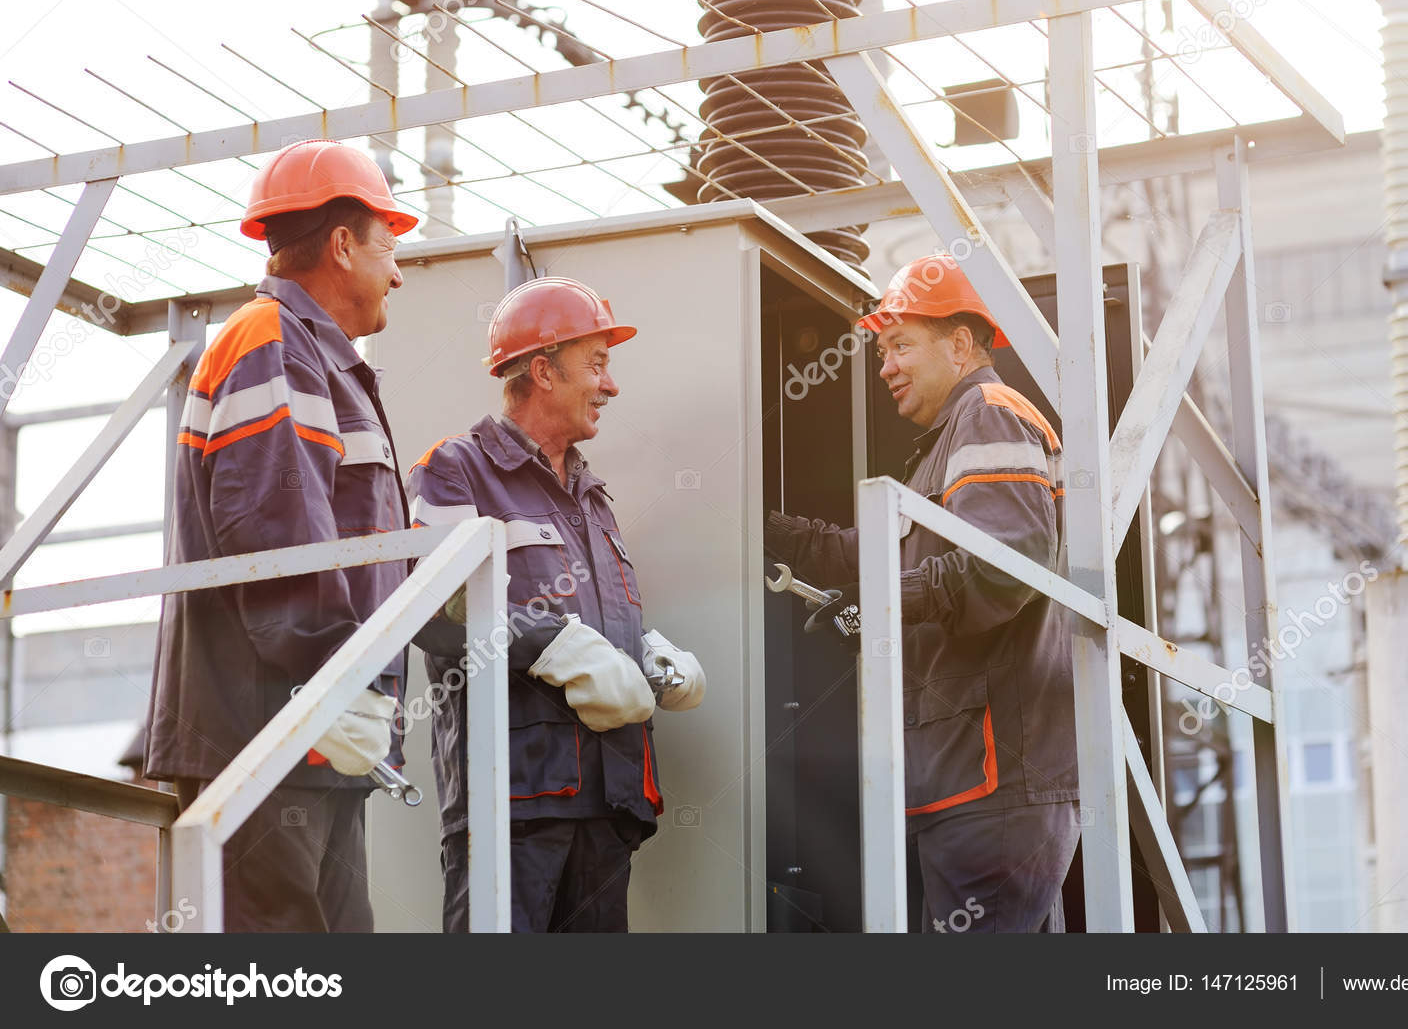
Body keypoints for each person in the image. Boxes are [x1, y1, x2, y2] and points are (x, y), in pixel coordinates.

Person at [144, 139, 416, 933]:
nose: (397, 271)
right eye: (388, 246)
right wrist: (340, 675)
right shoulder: (269, 335)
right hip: (268, 731)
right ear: (342, 244)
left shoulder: (318, 359)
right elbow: (275, 524)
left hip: (312, 733)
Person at [764, 252, 1076, 933]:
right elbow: (872, 552)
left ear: (960, 343)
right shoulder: (952, 440)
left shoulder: (989, 414)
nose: (886, 367)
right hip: (972, 780)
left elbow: (1007, 564)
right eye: (881, 351)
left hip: (993, 779)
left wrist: (871, 602)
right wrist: (767, 531)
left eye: (900, 344)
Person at [407, 275, 705, 933]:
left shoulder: (593, 499)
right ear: (543, 370)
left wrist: (646, 650)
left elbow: (602, 624)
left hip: (608, 805)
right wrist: (549, 645)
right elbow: (426, 607)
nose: (611, 384)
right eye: (597, 363)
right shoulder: (456, 470)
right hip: (511, 807)